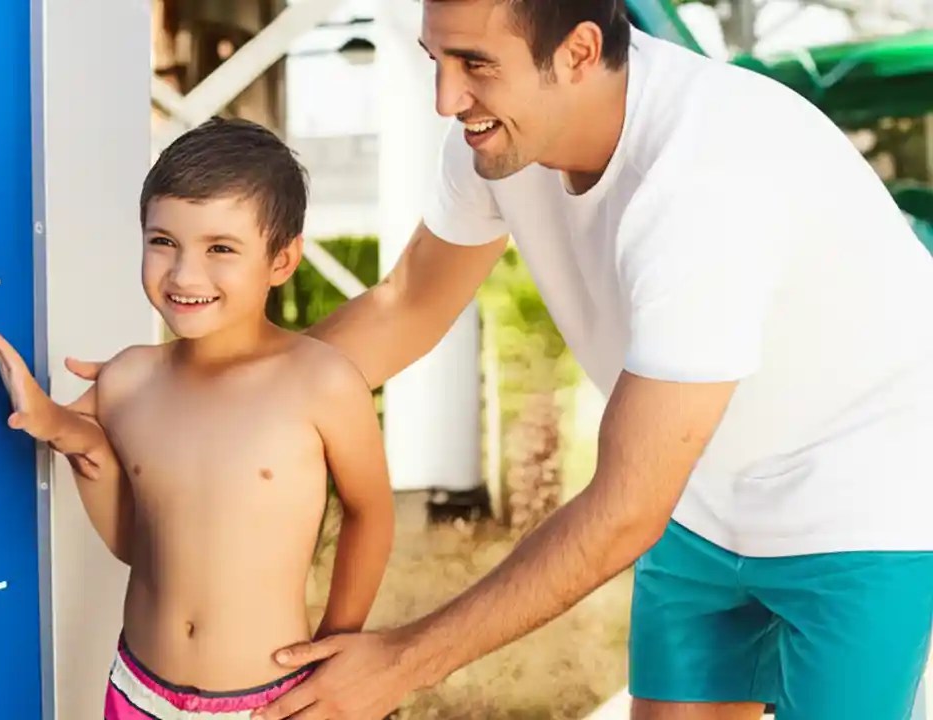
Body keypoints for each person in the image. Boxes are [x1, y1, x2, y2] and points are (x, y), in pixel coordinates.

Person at [73, 2, 933, 719]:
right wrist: (194, 396)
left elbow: (625, 507)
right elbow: (407, 305)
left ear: (580, 52)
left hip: (860, 501)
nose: (447, 98)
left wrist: (404, 660)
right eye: (436, 60)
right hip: (700, 495)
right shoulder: (497, 142)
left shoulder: (707, 184)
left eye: (475, 65)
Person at [0, 117, 396, 719]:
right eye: (163, 241)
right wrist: (62, 428)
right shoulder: (128, 380)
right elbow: (132, 542)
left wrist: (336, 650)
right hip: (137, 690)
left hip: (269, 701)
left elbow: (370, 511)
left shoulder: (321, 383)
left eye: (220, 248)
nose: (184, 274)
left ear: (282, 259)